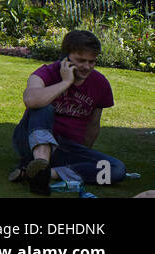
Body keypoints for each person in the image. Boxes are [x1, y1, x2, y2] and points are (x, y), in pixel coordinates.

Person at [9, 29, 125, 195]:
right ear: (65, 57)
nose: (87, 67)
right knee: (42, 106)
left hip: (66, 148)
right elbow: (31, 100)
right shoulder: (45, 73)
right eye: (81, 60)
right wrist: (66, 82)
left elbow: (93, 124)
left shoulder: (100, 83)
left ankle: (43, 173)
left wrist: (83, 154)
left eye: (92, 62)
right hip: (30, 139)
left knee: (116, 169)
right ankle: (41, 160)